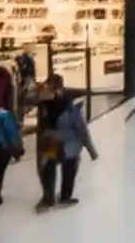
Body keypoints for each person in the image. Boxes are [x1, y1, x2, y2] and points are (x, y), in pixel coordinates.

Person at [44, 75, 97, 208]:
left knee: (69, 168)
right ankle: (49, 196)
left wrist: (91, 150)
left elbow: (81, 129)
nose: (48, 91)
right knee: (48, 167)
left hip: (70, 144)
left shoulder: (70, 107)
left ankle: (65, 196)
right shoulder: (46, 106)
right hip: (53, 145)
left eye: (50, 88)